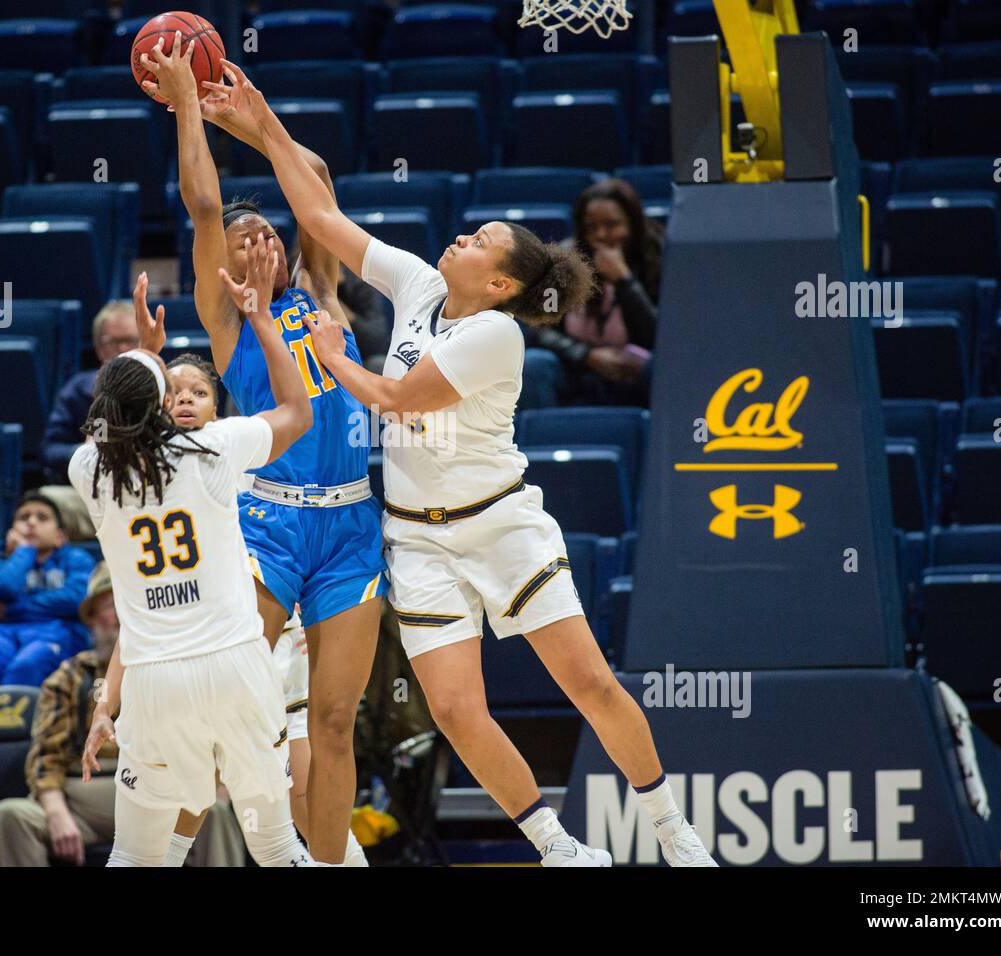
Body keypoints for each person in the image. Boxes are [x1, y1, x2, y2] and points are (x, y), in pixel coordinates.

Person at [210, 60, 717, 867]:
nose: (462, 237)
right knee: (454, 709)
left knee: (588, 684)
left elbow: (400, 400)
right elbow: (320, 213)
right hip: (416, 537)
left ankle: (672, 832)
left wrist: (334, 355)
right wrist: (261, 122)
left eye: (479, 242)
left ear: (502, 280)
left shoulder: (498, 336)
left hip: (499, 524)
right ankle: (556, 846)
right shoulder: (417, 283)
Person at [139, 33, 386, 865]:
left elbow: (311, 178)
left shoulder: (320, 291)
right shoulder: (228, 320)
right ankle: (160, 853)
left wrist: (250, 116)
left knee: (336, 721)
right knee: (227, 705)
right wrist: (185, 109)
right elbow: (204, 207)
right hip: (269, 528)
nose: (259, 245)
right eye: (246, 241)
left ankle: (326, 862)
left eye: (268, 236)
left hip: (351, 528)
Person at [73, 236, 313, 868]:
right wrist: (260, 317)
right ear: (162, 405)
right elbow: (296, 411)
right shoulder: (210, 450)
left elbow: (114, 419)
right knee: (277, 844)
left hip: (154, 683)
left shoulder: (86, 469)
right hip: (236, 667)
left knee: (137, 854)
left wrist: (142, 360)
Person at [158, 352, 367, 866]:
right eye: (173, 391)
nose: (185, 398)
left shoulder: (248, 452)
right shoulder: (146, 469)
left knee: (301, 803)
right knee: (199, 776)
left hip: (269, 635)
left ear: (220, 407)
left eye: (199, 392)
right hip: (198, 631)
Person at [0, 563, 245, 867]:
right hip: (85, 794)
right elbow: (46, 759)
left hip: (161, 788)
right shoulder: (69, 677)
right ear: (93, 620)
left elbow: (212, 737)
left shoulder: (179, 667)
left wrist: (218, 785)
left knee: (214, 811)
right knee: (10, 816)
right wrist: (56, 813)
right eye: (113, 605)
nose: (125, 614)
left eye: (131, 603)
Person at [525, 178, 661, 406]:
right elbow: (540, 330)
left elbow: (657, 336)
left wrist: (625, 281)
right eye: (591, 227)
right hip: (579, 370)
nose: (601, 235)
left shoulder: (658, 257)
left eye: (612, 225)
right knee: (534, 365)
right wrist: (587, 356)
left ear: (633, 223)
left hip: (636, 372)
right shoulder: (565, 262)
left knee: (659, 367)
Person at [0, 492, 95, 698]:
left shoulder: (76, 558)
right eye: (23, 518)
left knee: (29, 662)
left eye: (42, 517)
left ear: (60, 537)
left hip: (58, 631)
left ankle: (8, 729)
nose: (31, 522)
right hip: (6, 631)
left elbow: (76, 598)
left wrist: (13, 609)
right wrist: (24, 552)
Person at [42, 301, 141, 483]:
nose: (122, 349)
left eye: (130, 340)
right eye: (113, 342)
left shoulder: (162, 386)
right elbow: (51, 450)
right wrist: (85, 452)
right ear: (98, 347)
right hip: (88, 485)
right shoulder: (78, 390)